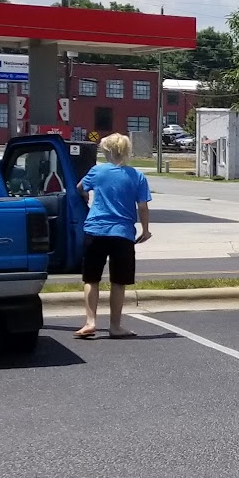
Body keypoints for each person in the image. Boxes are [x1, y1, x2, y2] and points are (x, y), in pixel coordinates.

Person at [76, 132, 152, 340]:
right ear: (126, 152)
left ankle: (90, 322)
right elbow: (142, 206)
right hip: (123, 233)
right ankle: (115, 326)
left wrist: (87, 200)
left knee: (91, 278)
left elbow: (80, 188)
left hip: (95, 230)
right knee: (119, 281)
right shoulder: (137, 176)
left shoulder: (96, 171)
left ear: (106, 151)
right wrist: (145, 230)